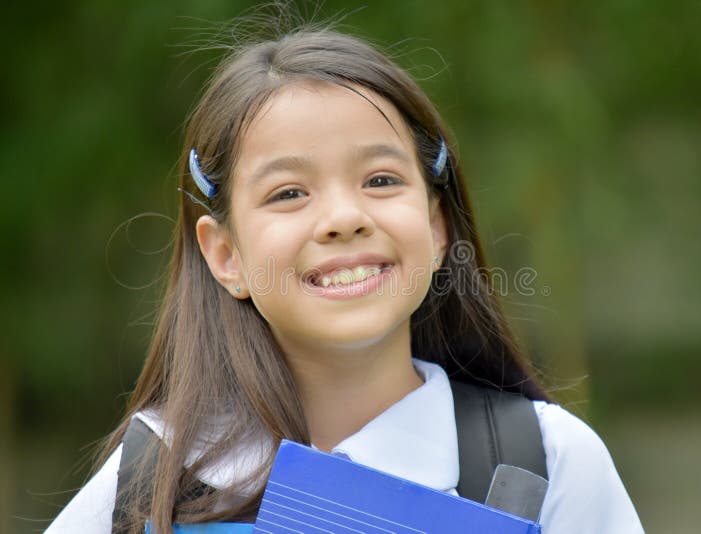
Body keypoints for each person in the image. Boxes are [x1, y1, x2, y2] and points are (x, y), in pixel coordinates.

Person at [46, 14, 644, 534]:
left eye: (380, 180)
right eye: (288, 193)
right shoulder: (159, 467)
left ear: (437, 229)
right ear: (225, 256)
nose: (343, 218)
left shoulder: (545, 461)